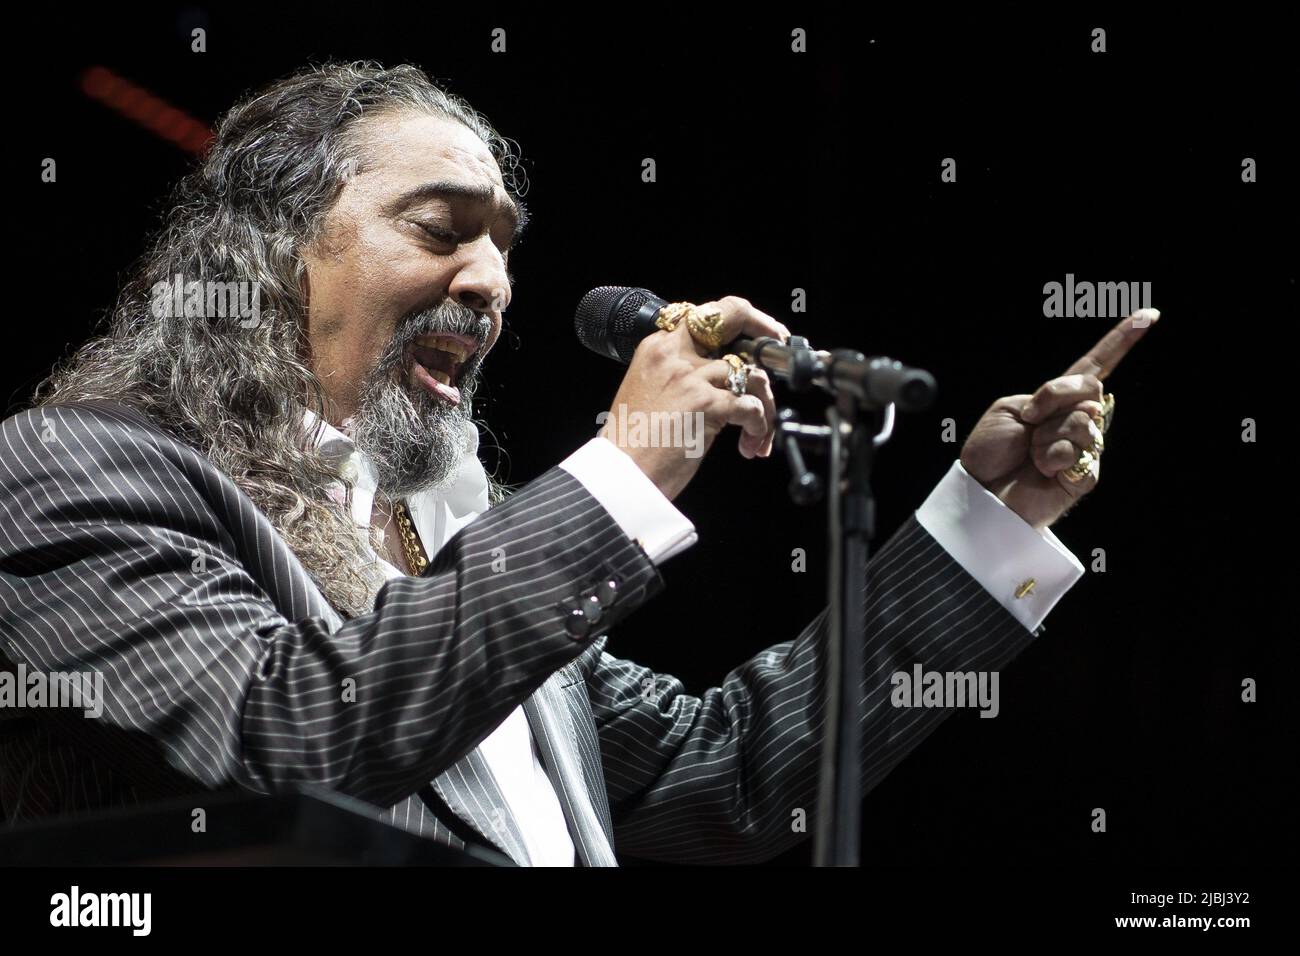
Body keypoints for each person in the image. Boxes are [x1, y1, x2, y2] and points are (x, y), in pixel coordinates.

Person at [0, 61, 1156, 865]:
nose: (492, 284)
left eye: (503, 245)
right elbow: (277, 740)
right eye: (442, 228)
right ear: (270, 254)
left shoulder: (430, 523)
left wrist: (989, 517)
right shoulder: (75, 469)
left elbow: (734, 774)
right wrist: (624, 466)